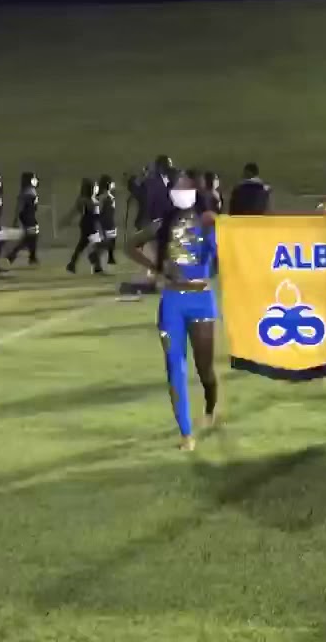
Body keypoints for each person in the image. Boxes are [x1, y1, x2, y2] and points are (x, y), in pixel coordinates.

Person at [127, 169, 220, 451]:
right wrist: (156, 267)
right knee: (175, 368)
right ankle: (186, 433)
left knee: (204, 369)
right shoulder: (162, 223)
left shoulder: (208, 221)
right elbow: (129, 245)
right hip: (172, 301)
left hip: (201, 299)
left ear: (195, 189)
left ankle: (210, 407)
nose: (180, 188)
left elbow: (231, 247)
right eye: (176, 184)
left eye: (185, 184)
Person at [64, 178, 105, 274]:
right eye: (94, 187)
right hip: (89, 225)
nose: (96, 188)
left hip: (91, 224)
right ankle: (96, 266)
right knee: (93, 245)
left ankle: (73, 264)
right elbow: (78, 210)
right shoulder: (85, 200)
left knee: (84, 245)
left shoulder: (90, 199)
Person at [5, 172, 41, 266]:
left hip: (30, 216)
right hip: (27, 216)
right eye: (33, 178)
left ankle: (32, 257)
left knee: (33, 236)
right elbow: (20, 206)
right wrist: (16, 219)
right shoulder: (27, 192)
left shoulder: (31, 191)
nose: (36, 180)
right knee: (30, 236)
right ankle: (13, 255)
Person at [97, 174, 119, 266]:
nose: (113, 185)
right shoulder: (102, 197)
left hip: (110, 222)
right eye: (111, 183)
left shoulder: (110, 196)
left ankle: (110, 257)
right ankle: (98, 261)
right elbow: (99, 211)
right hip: (103, 223)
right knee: (103, 243)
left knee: (112, 239)